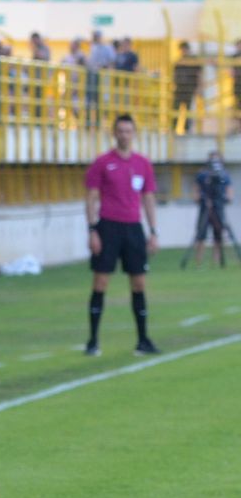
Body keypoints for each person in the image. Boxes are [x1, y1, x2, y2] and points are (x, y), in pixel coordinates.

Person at [84, 114, 160, 356]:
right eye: (120, 131)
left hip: (133, 228)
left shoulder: (142, 164)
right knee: (101, 282)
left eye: (128, 131)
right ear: (114, 133)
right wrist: (92, 229)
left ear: (134, 134)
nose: (124, 135)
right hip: (108, 227)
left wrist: (153, 231)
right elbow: (91, 197)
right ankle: (93, 340)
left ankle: (143, 339)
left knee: (138, 283)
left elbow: (148, 198)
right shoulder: (102, 162)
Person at [188, 151, 234, 268]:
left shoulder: (224, 175)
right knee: (201, 234)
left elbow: (229, 189)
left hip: (218, 206)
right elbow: (196, 187)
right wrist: (197, 197)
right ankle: (198, 261)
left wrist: (227, 198)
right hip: (205, 206)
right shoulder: (202, 175)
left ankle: (217, 260)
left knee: (218, 234)